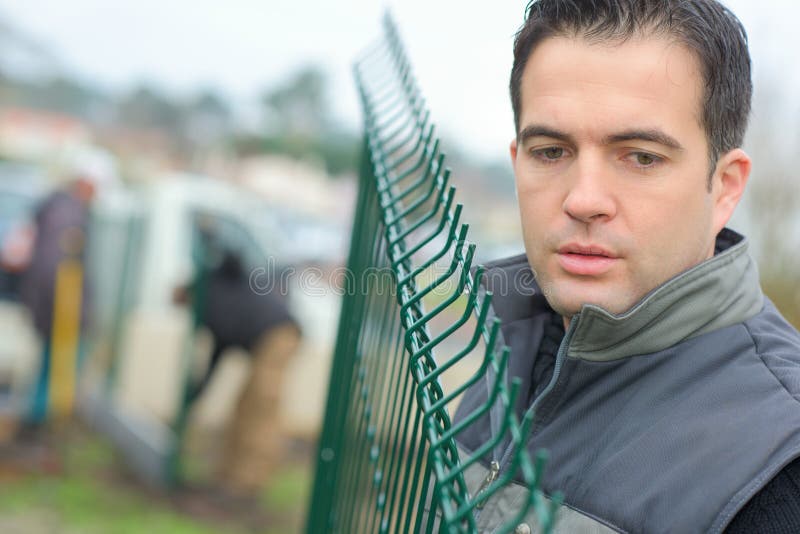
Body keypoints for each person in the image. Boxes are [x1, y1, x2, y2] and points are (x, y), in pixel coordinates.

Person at [452, 1, 800, 532]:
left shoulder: (780, 464)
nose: (584, 199)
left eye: (641, 157)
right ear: (517, 161)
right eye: (550, 151)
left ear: (724, 187)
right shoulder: (508, 333)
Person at [175, 223, 301, 500]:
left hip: (277, 335)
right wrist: (194, 395)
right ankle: (231, 478)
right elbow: (215, 360)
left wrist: (213, 238)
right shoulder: (211, 318)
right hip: (263, 343)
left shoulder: (213, 281)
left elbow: (234, 259)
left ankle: (248, 484)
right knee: (243, 407)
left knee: (260, 410)